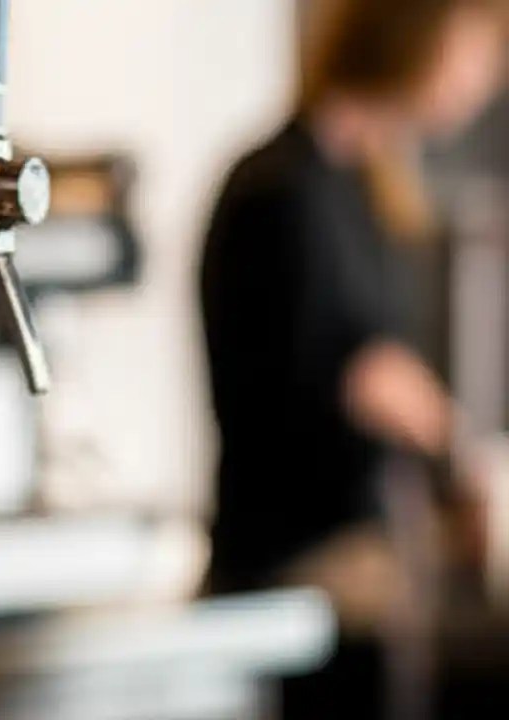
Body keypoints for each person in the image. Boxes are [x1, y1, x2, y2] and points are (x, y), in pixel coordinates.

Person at [199, 0, 505, 715]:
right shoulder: (282, 187)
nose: (484, 79)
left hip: (357, 572)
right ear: (414, 38)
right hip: (302, 574)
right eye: (475, 51)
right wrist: (466, 465)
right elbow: (365, 377)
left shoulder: (359, 187)